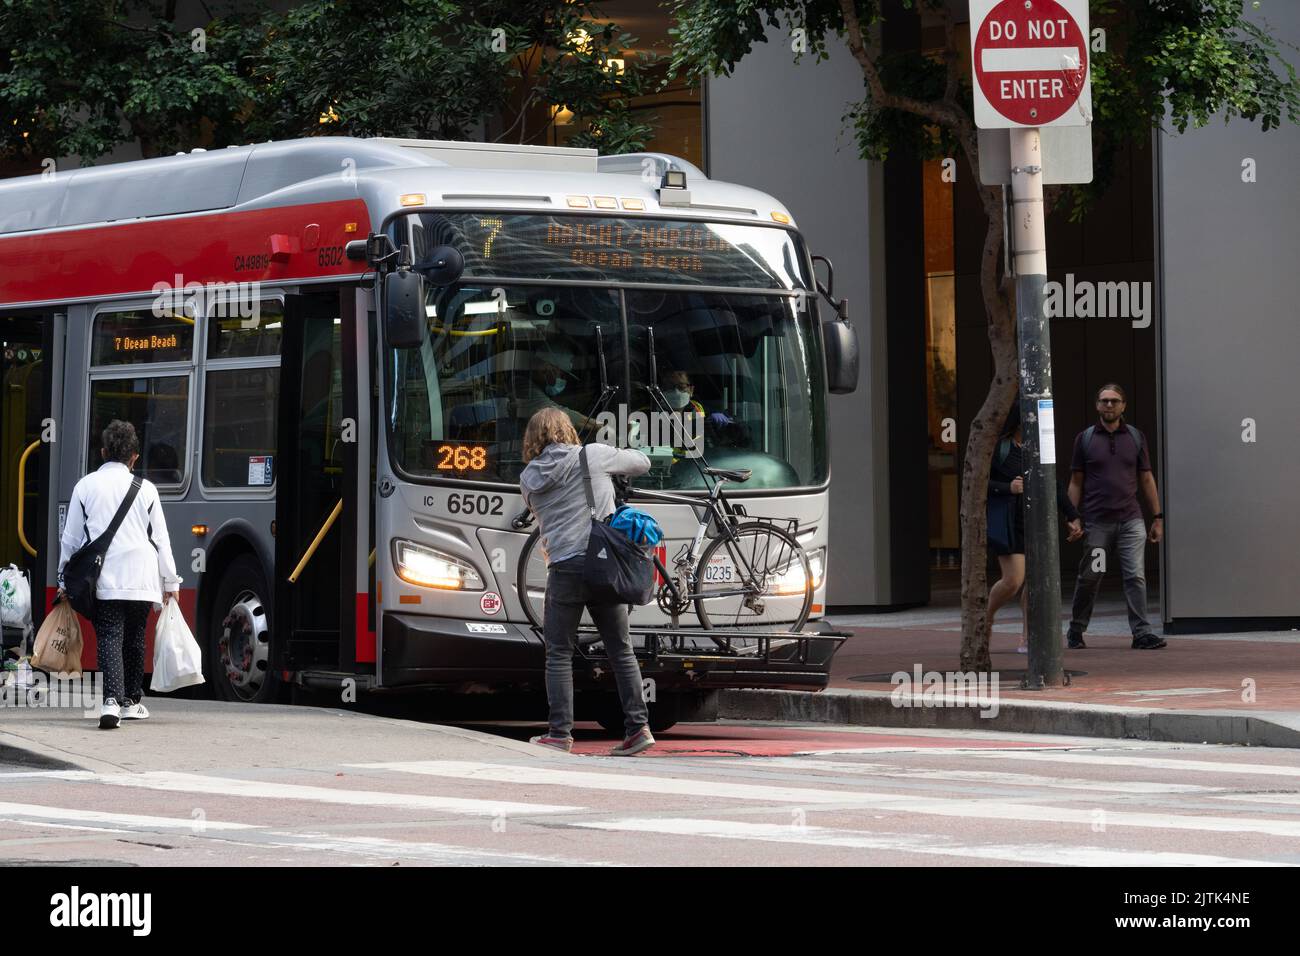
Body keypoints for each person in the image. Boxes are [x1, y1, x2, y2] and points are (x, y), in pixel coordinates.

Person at [518, 407, 655, 756]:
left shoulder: (528, 478)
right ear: (567, 430)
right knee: (620, 649)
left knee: (559, 654)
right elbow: (642, 463)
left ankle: (559, 734)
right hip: (602, 565)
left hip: (563, 567)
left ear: (532, 440)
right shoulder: (593, 455)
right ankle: (638, 729)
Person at [57, 420, 182, 729]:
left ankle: (110, 701)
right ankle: (130, 701)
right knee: (136, 637)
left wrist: (63, 577)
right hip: (142, 575)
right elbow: (161, 539)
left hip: (105, 575)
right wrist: (171, 581)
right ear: (134, 457)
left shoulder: (85, 486)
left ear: (102, 452)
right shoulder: (147, 490)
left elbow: (71, 539)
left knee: (111, 634)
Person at [1065, 384, 1166, 650]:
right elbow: (1076, 481)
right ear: (1097, 405)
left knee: (1135, 576)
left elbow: (1146, 478)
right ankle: (1076, 630)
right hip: (1098, 523)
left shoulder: (1135, 437)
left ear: (1124, 406)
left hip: (1131, 521)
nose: (1109, 405)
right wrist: (1072, 516)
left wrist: (1158, 517)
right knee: (1091, 576)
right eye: (1104, 401)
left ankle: (1142, 633)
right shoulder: (1085, 439)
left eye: (1114, 401)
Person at [987, 404, 1084, 653]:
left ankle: (1027, 637)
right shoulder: (1000, 448)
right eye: (1031, 419)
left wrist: (1071, 516)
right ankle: (985, 618)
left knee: (1035, 582)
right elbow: (979, 482)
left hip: (1038, 523)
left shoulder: (1040, 448)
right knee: (1013, 580)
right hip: (1010, 523)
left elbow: (1055, 483)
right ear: (1019, 421)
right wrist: (1007, 487)